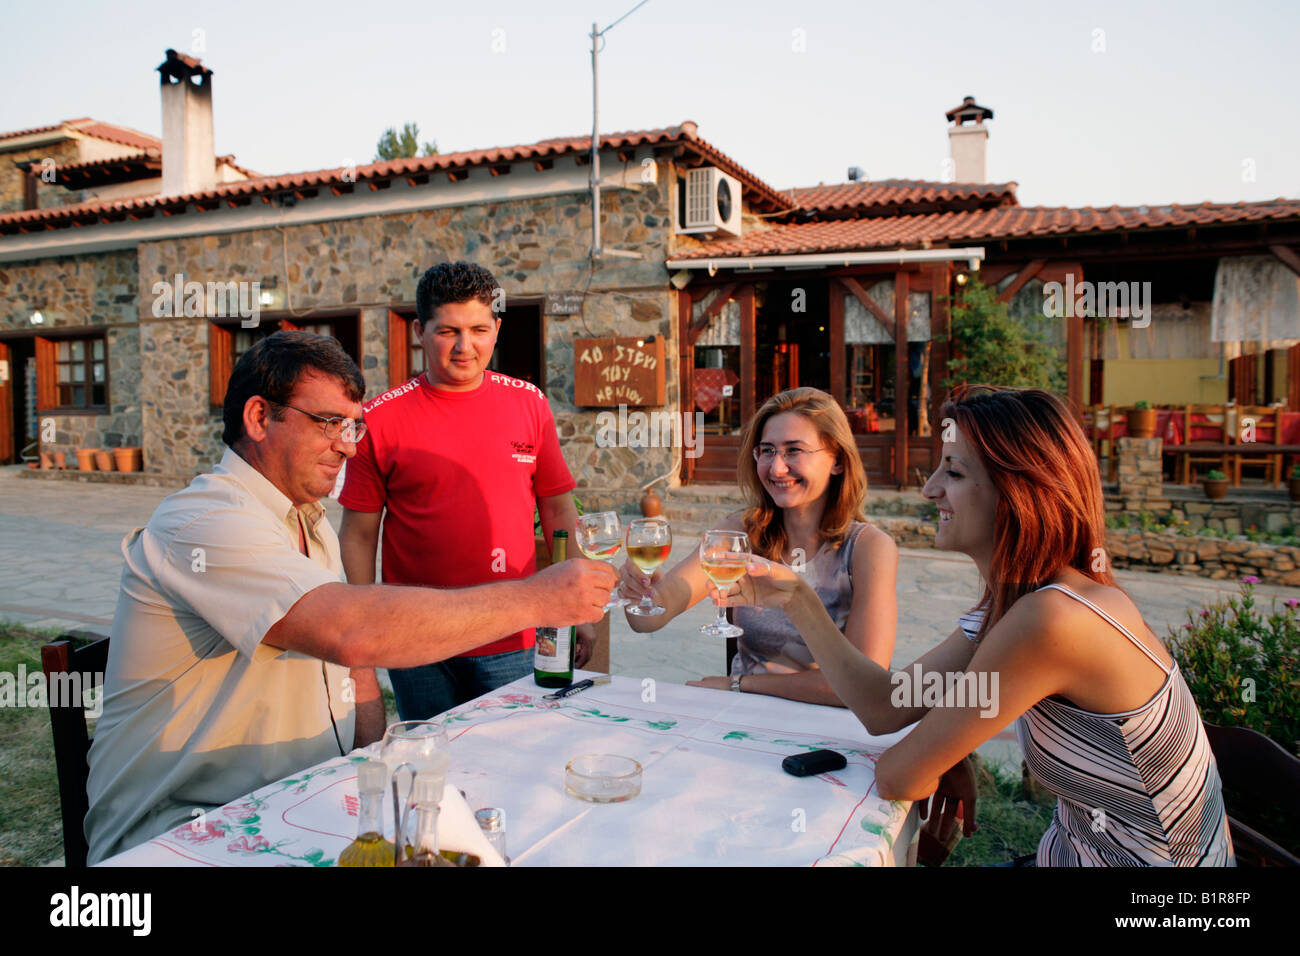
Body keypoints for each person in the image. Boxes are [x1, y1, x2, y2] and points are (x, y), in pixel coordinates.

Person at [84, 331, 614, 864]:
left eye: (352, 425)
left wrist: (372, 789)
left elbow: (355, 670)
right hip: (185, 832)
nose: (349, 444)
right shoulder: (203, 522)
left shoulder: (307, 524)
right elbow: (353, 633)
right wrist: (535, 599)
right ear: (259, 417)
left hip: (300, 806)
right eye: (328, 423)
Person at [718, 385, 1234, 866]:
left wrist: (941, 749)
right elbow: (882, 705)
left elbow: (900, 776)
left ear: (1018, 491)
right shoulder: (1015, 604)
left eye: (954, 473)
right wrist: (799, 598)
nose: (929, 490)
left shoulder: (1051, 618)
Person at [339, 262, 590, 721]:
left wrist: (573, 605)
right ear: (419, 330)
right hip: (413, 637)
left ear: (496, 328)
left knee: (517, 750)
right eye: (447, 331)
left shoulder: (528, 403)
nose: (464, 346)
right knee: (429, 758)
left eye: (478, 329)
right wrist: (362, 631)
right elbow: (358, 532)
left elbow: (557, 507)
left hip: (511, 631)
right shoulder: (379, 418)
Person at [620, 387, 897, 705]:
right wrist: (640, 590)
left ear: (837, 460)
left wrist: (740, 684)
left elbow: (866, 684)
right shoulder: (740, 533)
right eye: (767, 451)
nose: (777, 468)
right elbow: (649, 619)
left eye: (793, 451)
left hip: (827, 730)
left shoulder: (869, 548)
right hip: (744, 717)